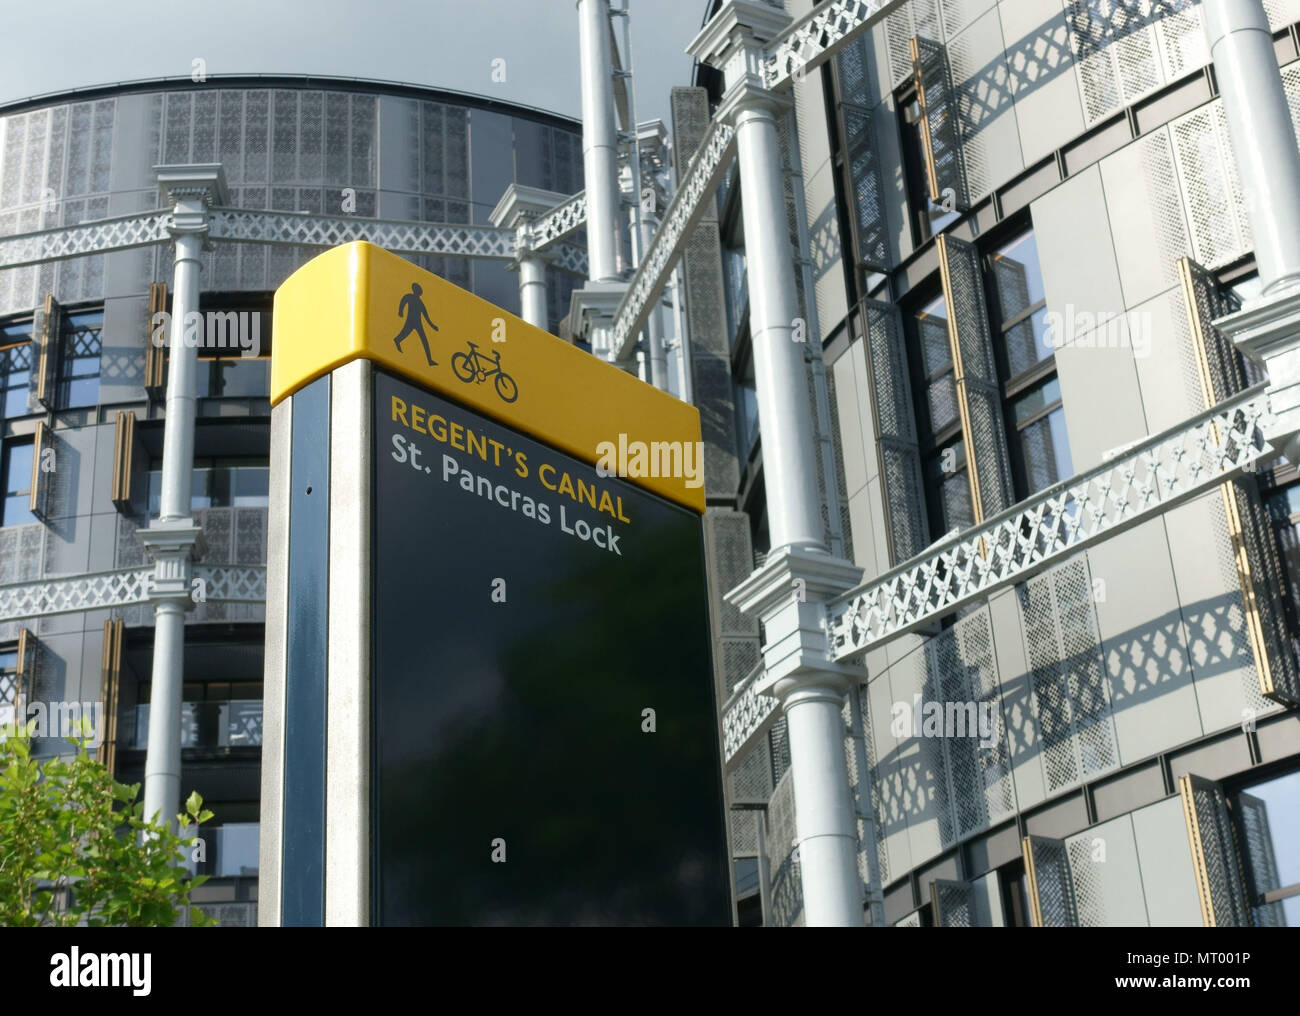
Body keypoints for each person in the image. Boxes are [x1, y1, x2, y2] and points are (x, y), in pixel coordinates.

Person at [394, 282, 439, 366]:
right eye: (418, 290)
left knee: (424, 340)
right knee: (404, 334)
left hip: (418, 323)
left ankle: (429, 360)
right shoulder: (409, 297)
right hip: (410, 321)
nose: (419, 292)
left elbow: (426, 316)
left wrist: (433, 326)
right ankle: (397, 340)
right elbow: (403, 300)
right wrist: (400, 311)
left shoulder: (420, 302)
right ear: (415, 290)